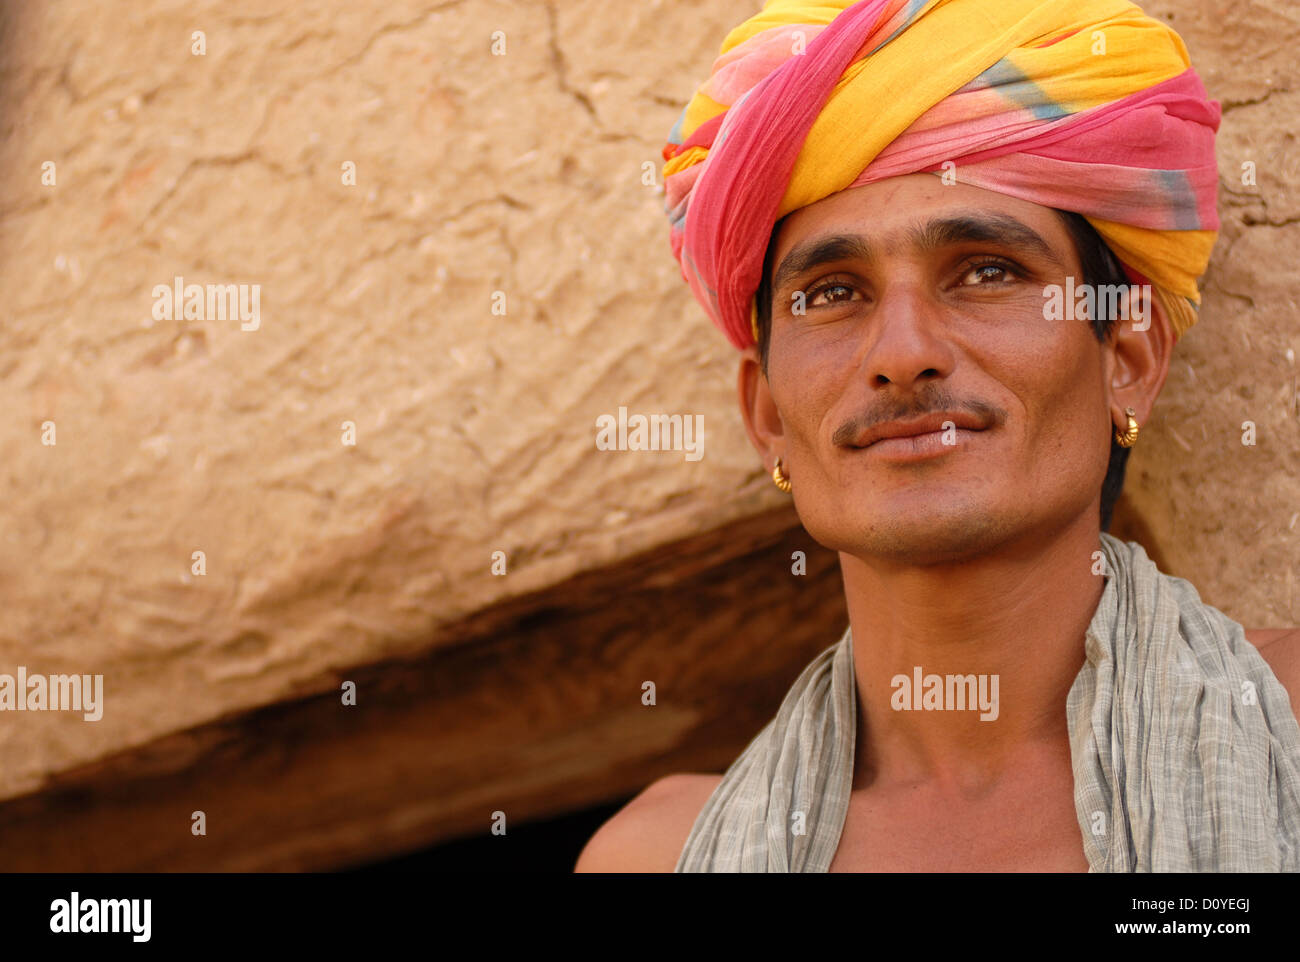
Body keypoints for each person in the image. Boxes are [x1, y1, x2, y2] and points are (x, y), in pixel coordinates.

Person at [576, 0, 1300, 872]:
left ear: (1128, 357)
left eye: (987, 272)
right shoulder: (663, 854)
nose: (905, 354)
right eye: (833, 293)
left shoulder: (1281, 732)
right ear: (767, 416)